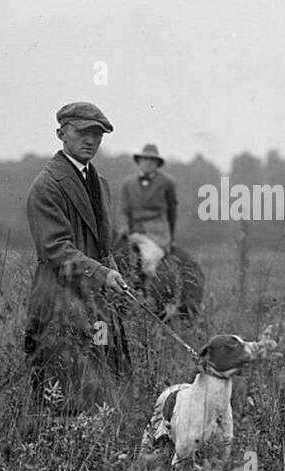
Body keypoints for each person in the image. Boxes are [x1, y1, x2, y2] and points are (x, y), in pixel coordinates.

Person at [23, 101, 131, 414]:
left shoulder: (100, 184)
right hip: (58, 305)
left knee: (104, 396)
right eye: (83, 132)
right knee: (60, 403)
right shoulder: (47, 186)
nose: (91, 140)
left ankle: (93, 461)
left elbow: (103, 248)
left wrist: (114, 279)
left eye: (97, 133)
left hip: (96, 308)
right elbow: (55, 248)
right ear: (61, 133)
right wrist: (101, 273)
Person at [118, 142, 178, 279]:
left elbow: (172, 212)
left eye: (152, 160)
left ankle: (148, 290)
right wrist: (124, 227)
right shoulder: (128, 183)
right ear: (139, 161)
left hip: (156, 232)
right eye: (145, 159)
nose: (148, 163)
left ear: (157, 164)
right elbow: (123, 209)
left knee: (150, 258)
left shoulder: (167, 183)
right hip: (132, 230)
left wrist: (171, 237)